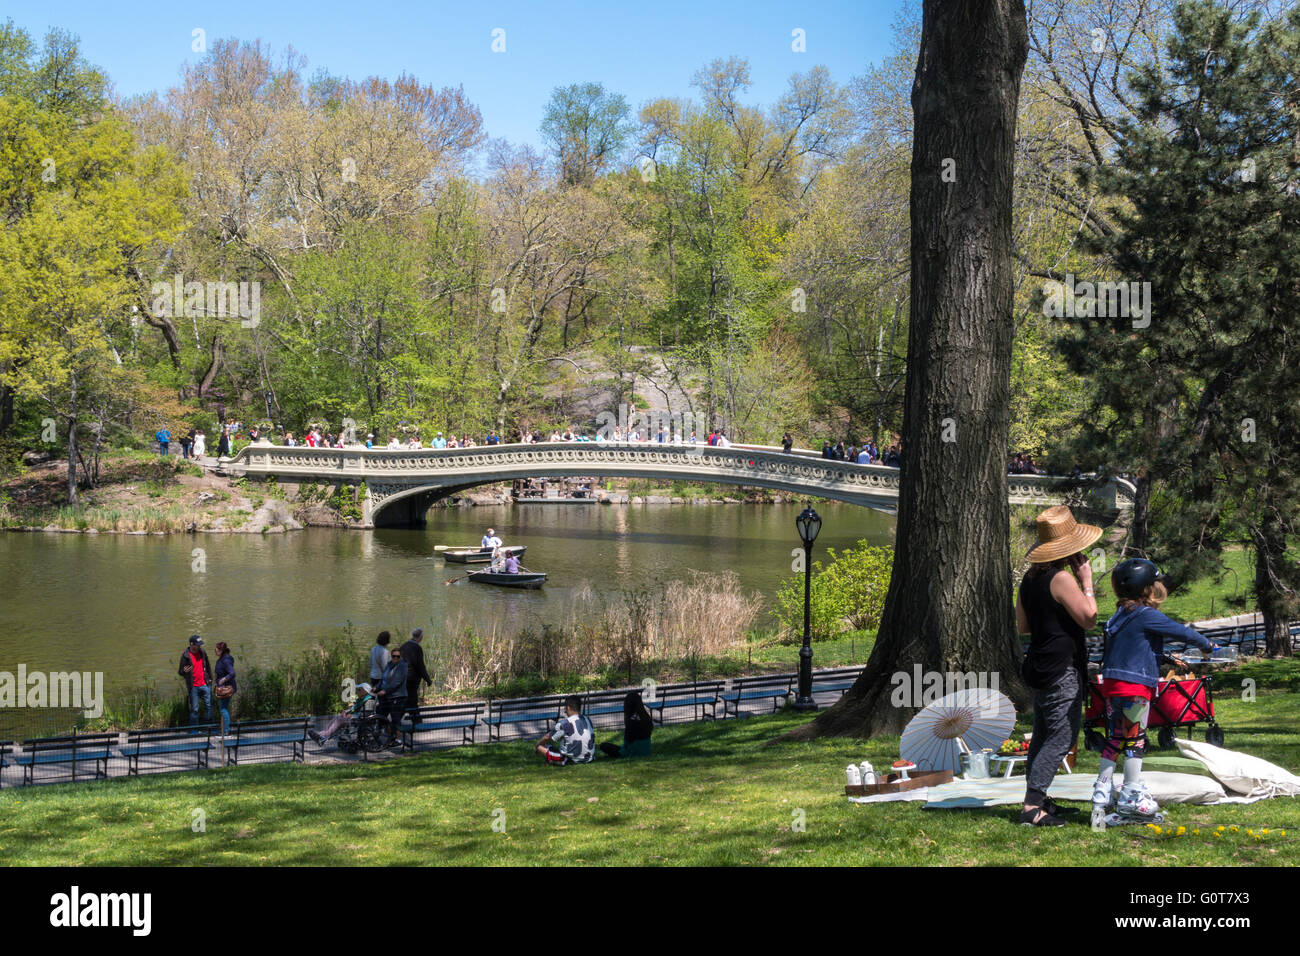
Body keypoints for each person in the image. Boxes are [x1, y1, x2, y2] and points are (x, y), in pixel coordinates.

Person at [1091, 559, 1218, 827]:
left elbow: (1135, 646)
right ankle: (1131, 798)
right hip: (1136, 690)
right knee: (1135, 741)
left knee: (1114, 740)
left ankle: (1100, 797)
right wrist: (1207, 645)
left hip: (1112, 687)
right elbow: (1181, 631)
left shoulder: (1118, 616)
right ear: (1147, 589)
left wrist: (1166, 657)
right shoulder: (1146, 614)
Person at [1015, 505, 1102, 826]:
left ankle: (1038, 800)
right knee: (1062, 736)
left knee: (1042, 733)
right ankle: (1031, 807)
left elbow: (1023, 625)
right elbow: (1090, 618)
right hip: (1060, 667)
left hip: (1037, 664)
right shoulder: (1063, 578)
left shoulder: (1029, 579)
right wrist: (1087, 581)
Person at [536, 696, 595, 765]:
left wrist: (537, 745)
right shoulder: (587, 719)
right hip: (589, 758)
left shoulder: (565, 723)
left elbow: (547, 737)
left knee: (540, 747)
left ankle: (552, 760)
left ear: (568, 707)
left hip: (570, 759)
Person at [598, 691, 653, 759]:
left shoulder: (631, 722)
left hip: (631, 753)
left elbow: (627, 743)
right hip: (646, 752)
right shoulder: (647, 718)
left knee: (604, 746)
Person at [178, 635, 214, 726]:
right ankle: (194, 730)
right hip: (193, 687)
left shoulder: (202, 652)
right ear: (191, 644)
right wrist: (183, 671)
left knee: (209, 707)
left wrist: (210, 679)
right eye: (197, 645)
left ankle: (207, 728)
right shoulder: (185, 656)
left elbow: (208, 667)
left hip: (205, 684)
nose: (199, 647)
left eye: (200, 645)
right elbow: (180, 672)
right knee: (194, 709)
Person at [376, 648, 408, 747]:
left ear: (401, 657)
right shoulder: (389, 665)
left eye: (397, 656)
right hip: (387, 697)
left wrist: (385, 691)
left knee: (396, 718)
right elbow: (383, 679)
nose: (395, 658)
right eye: (393, 656)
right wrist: (376, 687)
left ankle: (398, 739)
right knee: (381, 716)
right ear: (391, 656)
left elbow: (396, 682)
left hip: (398, 696)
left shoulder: (403, 666)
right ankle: (389, 737)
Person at [398, 628, 432, 723]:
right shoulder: (417, 648)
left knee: (408, 700)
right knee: (411, 700)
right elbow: (420, 666)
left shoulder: (403, 646)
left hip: (403, 678)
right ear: (420, 637)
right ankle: (417, 723)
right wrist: (428, 679)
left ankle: (399, 722)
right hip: (412, 679)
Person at [213, 641, 236, 734]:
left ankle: (226, 731)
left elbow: (232, 673)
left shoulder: (225, 661)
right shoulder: (225, 658)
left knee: (223, 710)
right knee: (223, 708)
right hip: (224, 687)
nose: (215, 650)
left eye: (217, 649)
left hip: (225, 689)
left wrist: (223, 679)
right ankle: (224, 728)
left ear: (221, 650)